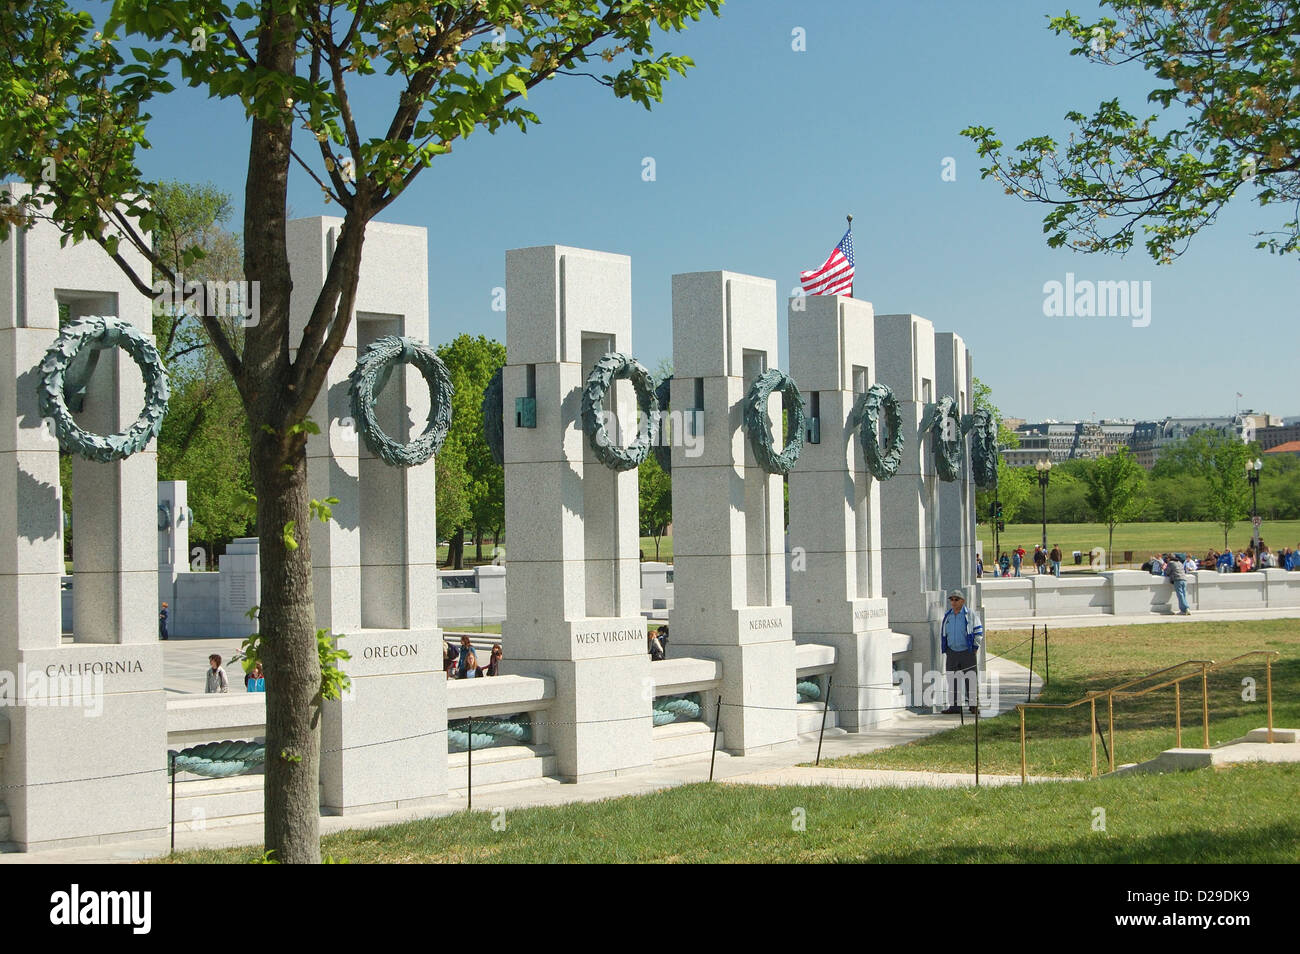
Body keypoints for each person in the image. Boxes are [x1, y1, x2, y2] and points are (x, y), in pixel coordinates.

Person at [939, 589, 983, 715]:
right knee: (952, 679)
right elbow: (944, 633)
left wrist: (975, 648)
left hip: (967, 652)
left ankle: (973, 705)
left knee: (971, 679)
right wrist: (946, 649)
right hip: (952, 652)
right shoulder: (948, 615)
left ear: (962, 601)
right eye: (951, 599)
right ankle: (955, 706)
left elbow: (978, 631)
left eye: (956, 599)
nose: (953, 602)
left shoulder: (970, 614)